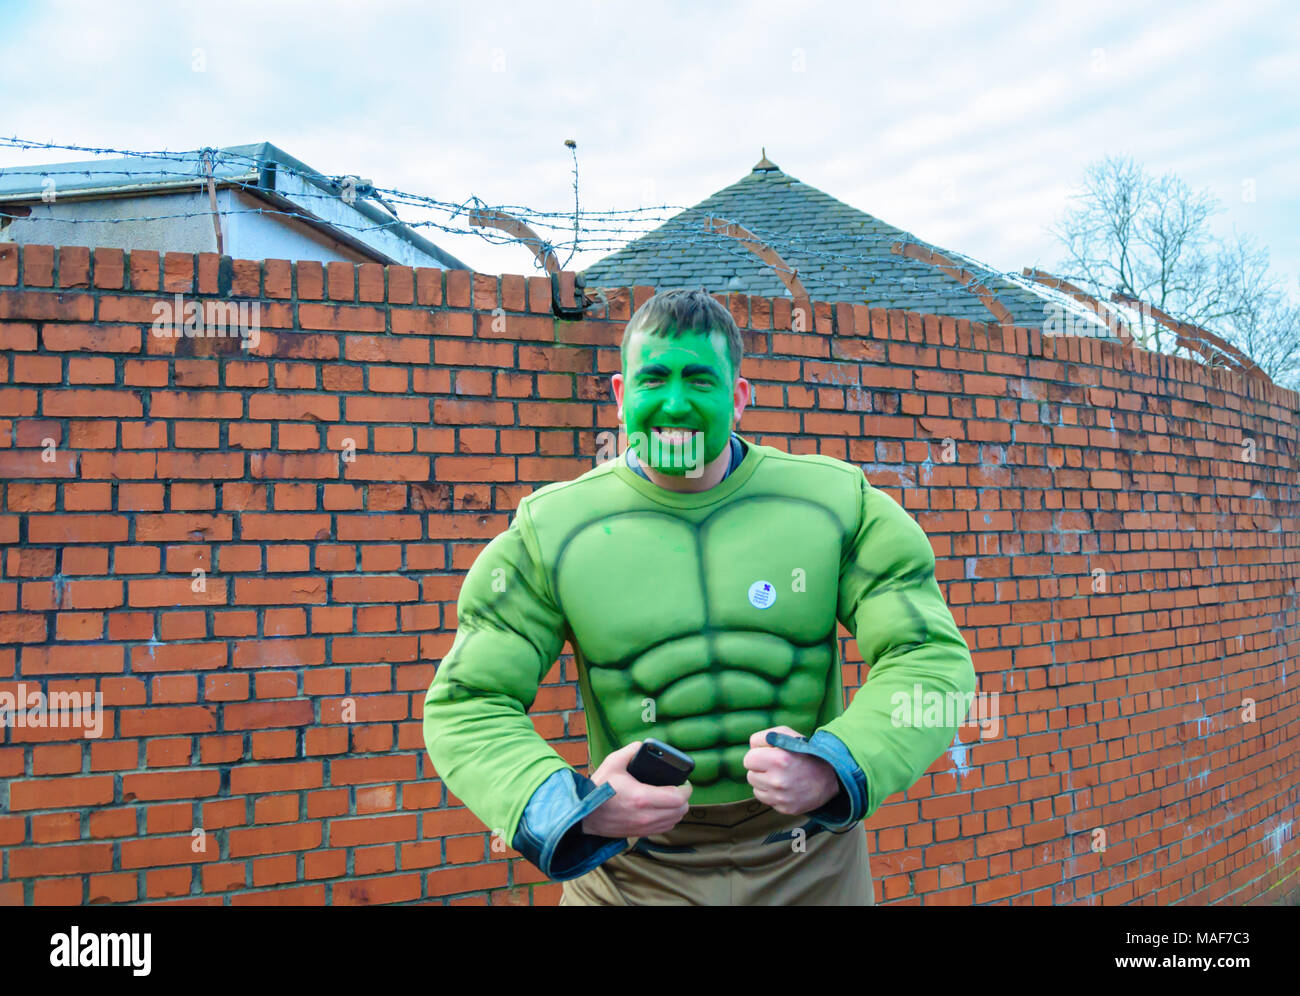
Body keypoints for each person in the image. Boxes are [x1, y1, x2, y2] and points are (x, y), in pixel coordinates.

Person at [422, 287, 976, 905]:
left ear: (739, 398)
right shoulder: (551, 530)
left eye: (701, 381)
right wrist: (574, 806)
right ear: (620, 394)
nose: (676, 404)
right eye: (654, 379)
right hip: (633, 873)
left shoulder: (837, 504)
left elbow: (927, 657)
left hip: (811, 863)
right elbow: (468, 701)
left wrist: (836, 763)